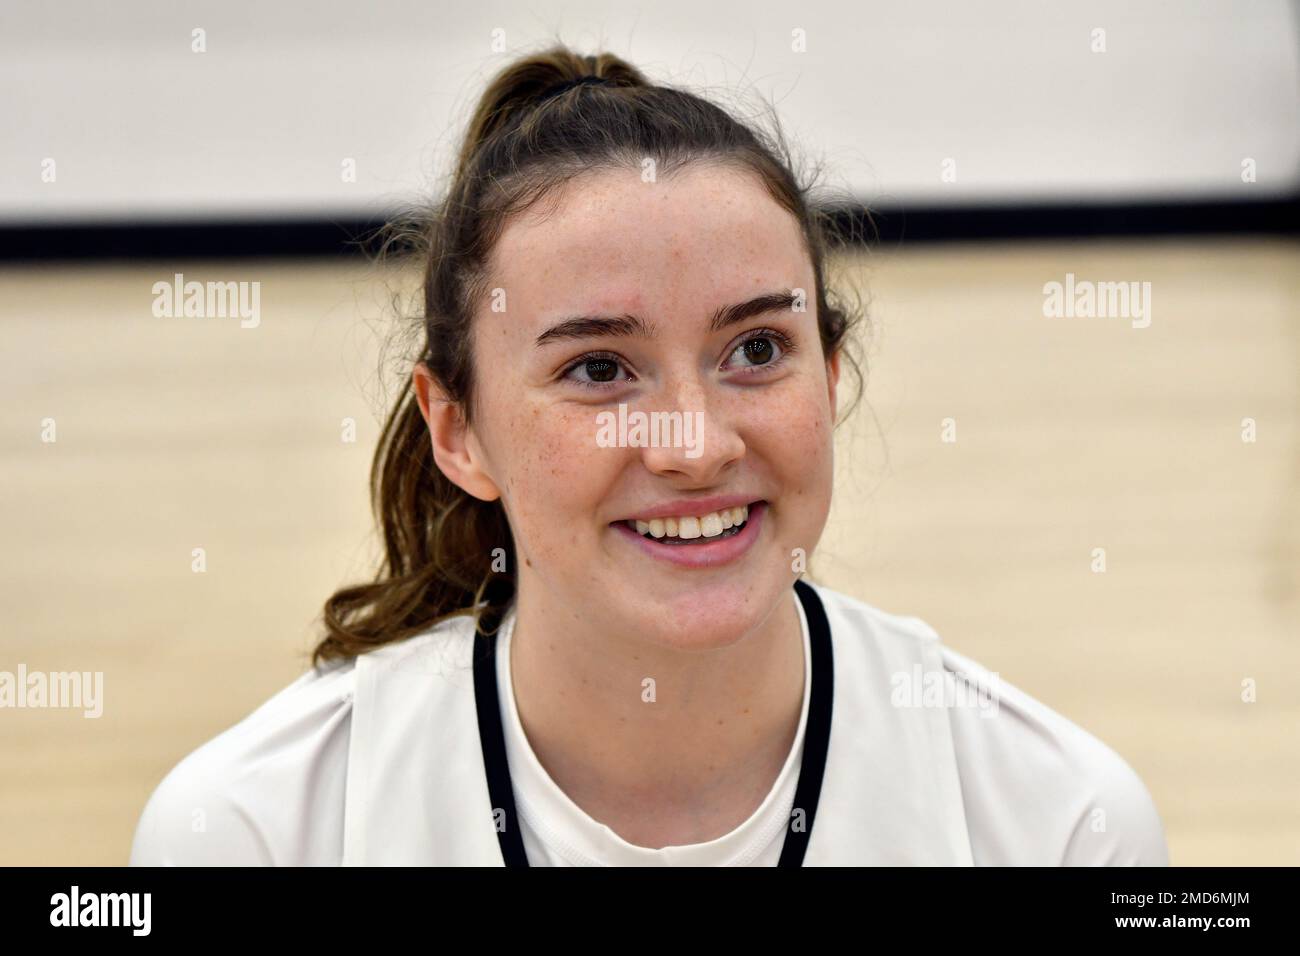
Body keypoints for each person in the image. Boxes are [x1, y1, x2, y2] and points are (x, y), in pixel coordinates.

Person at [129, 46, 1169, 866]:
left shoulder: (1061, 824)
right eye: (598, 369)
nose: (694, 445)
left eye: (755, 350)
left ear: (831, 371)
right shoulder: (250, 833)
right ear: (457, 429)